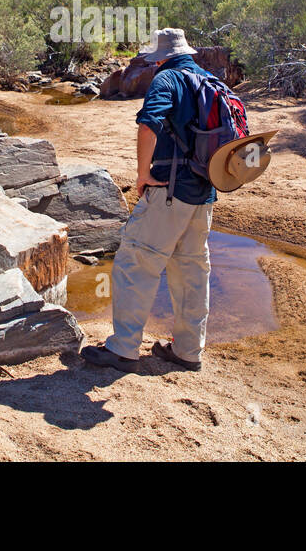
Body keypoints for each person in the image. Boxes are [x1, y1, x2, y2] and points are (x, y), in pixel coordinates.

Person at [80, 28, 214, 373]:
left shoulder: (167, 78)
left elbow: (148, 124)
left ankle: (123, 348)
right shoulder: (213, 82)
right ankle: (188, 351)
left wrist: (142, 174)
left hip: (169, 189)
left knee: (136, 262)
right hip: (205, 193)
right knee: (191, 272)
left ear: (159, 57)